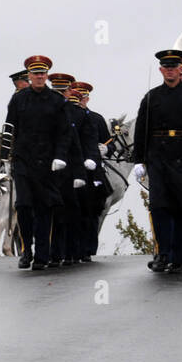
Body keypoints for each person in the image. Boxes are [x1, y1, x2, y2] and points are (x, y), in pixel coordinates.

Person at [131, 49, 182, 274]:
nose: (170, 70)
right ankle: (162, 254)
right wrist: (139, 159)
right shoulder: (151, 97)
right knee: (159, 208)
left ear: (180, 69)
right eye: (166, 67)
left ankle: (179, 256)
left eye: (173, 67)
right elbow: (141, 131)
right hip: (158, 158)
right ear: (161, 70)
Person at [5, 55, 72, 271]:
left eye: (43, 74)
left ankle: (42, 255)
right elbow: (9, 128)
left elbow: (64, 132)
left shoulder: (57, 100)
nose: (40, 77)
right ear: (30, 76)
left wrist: (60, 156)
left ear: (47, 75)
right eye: (36, 74)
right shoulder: (18, 99)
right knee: (23, 206)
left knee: (44, 209)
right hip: (23, 160)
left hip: (47, 162)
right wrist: (6, 156)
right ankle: (27, 250)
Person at [47, 72, 98, 266]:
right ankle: (52, 252)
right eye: (57, 91)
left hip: (75, 167)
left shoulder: (84, 115)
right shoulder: (50, 111)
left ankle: (74, 250)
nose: (61, 94)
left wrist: (90, 163)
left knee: (79, 210)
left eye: (63, 91)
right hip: (50, 167)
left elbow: (87, 141)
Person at [76, 82, 111, 261]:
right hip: (74, 169)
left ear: (87, 98)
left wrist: (106, 149)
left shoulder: (96, 119)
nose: (81, 100)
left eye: (83, 97)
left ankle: (89, 248)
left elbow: (108, 142)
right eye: (78, 96)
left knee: (93, 209)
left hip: (94, 171)